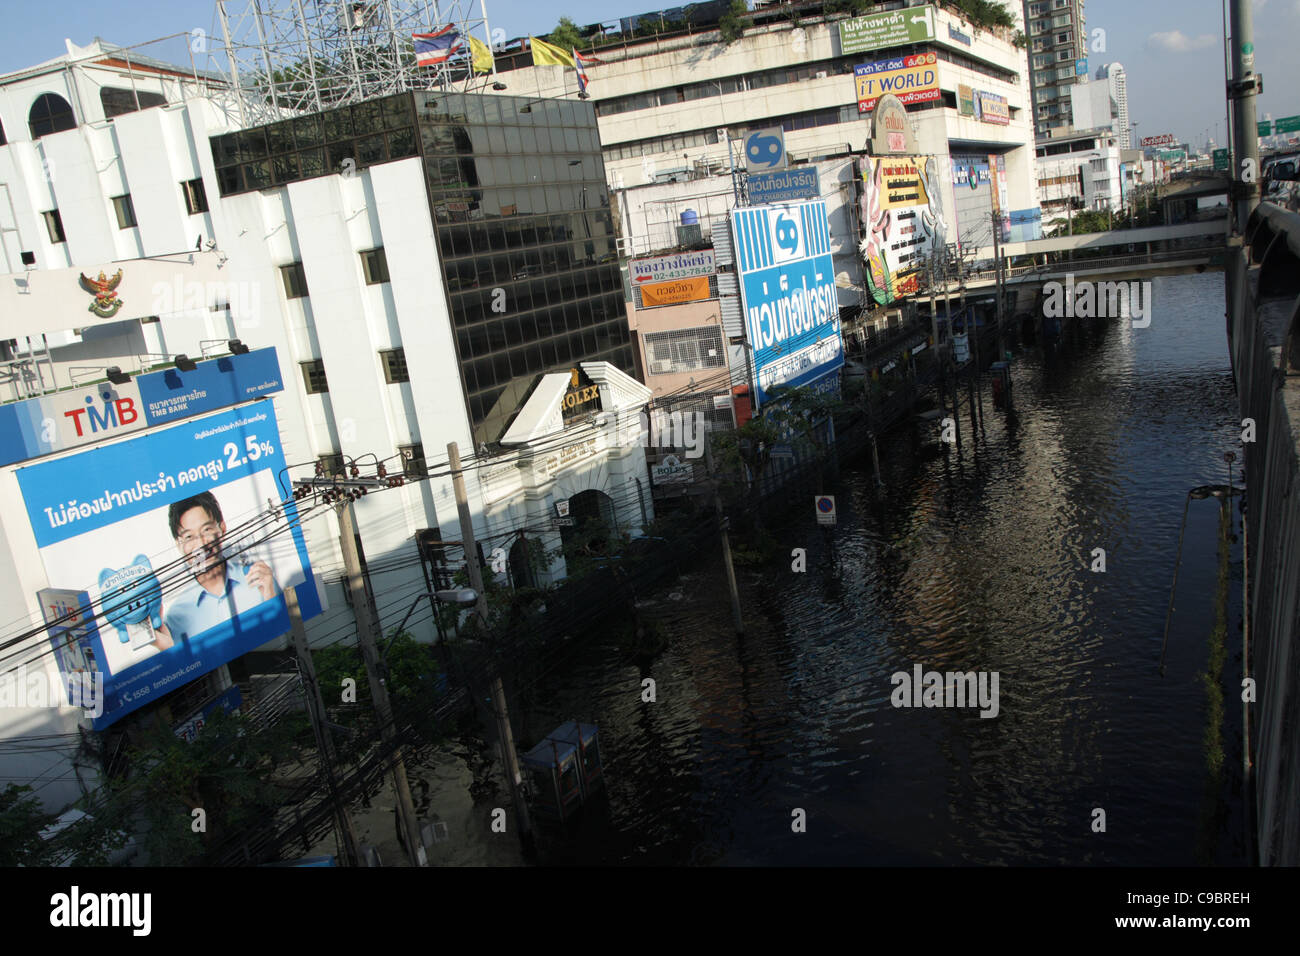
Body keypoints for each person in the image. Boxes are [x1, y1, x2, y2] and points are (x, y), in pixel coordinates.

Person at [163, 491, 279, 643]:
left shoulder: (260, 579)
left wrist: (272, 596)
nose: (201, 545)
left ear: (222, 529)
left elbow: (282, 630)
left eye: (207, 530)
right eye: (189, 537)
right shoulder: (175, 617)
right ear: (179, 545)